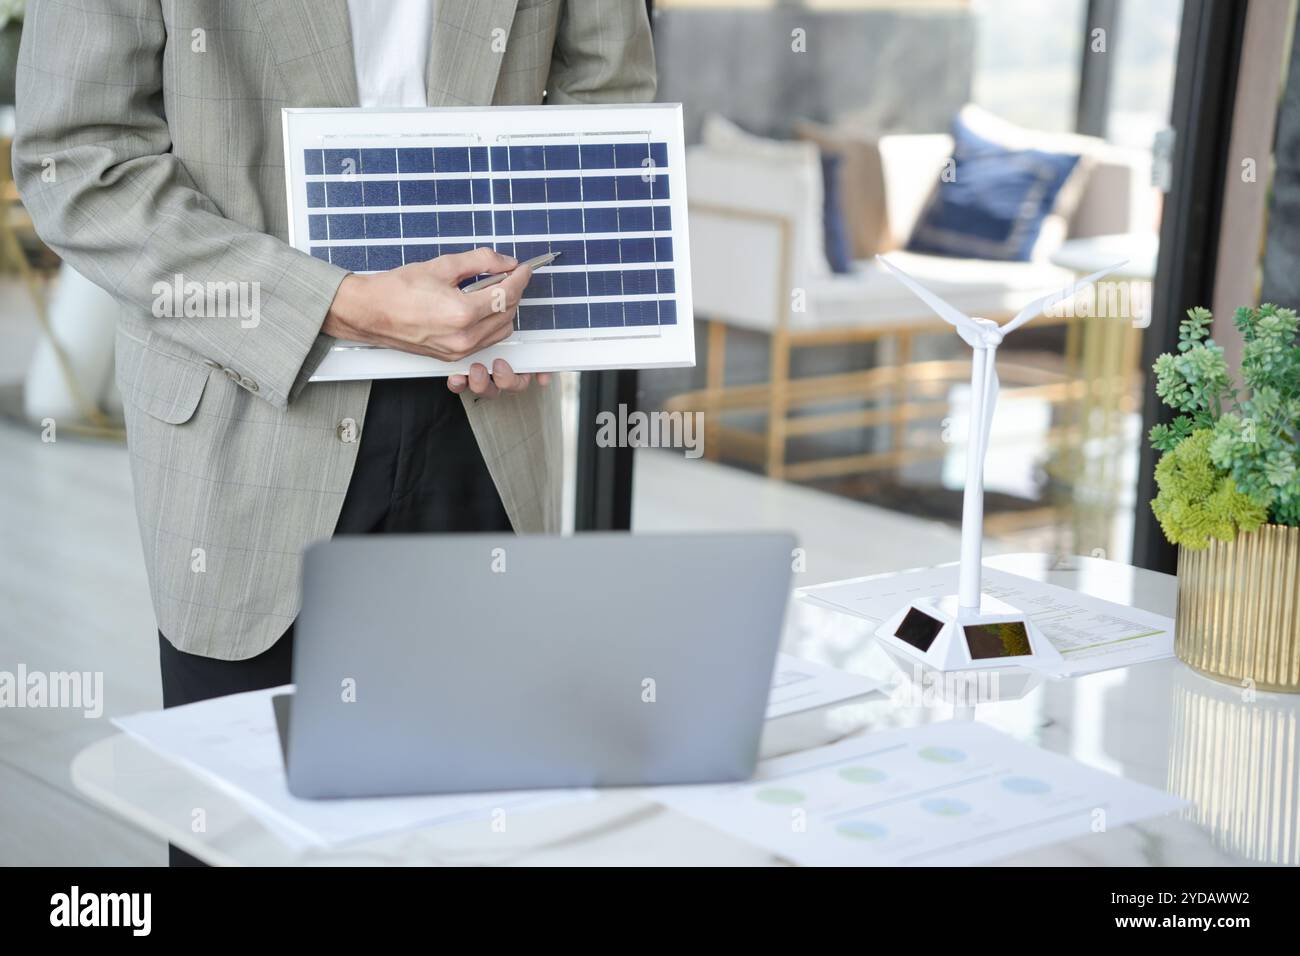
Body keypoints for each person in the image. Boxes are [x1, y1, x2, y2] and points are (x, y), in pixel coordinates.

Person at [13, 0, 655, 863]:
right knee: (245, 835)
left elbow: (609, 94)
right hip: (246, 407)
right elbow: (82, 161)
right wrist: (339, 305)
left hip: (488, 411)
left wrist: (552, 306)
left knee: (476, 826)